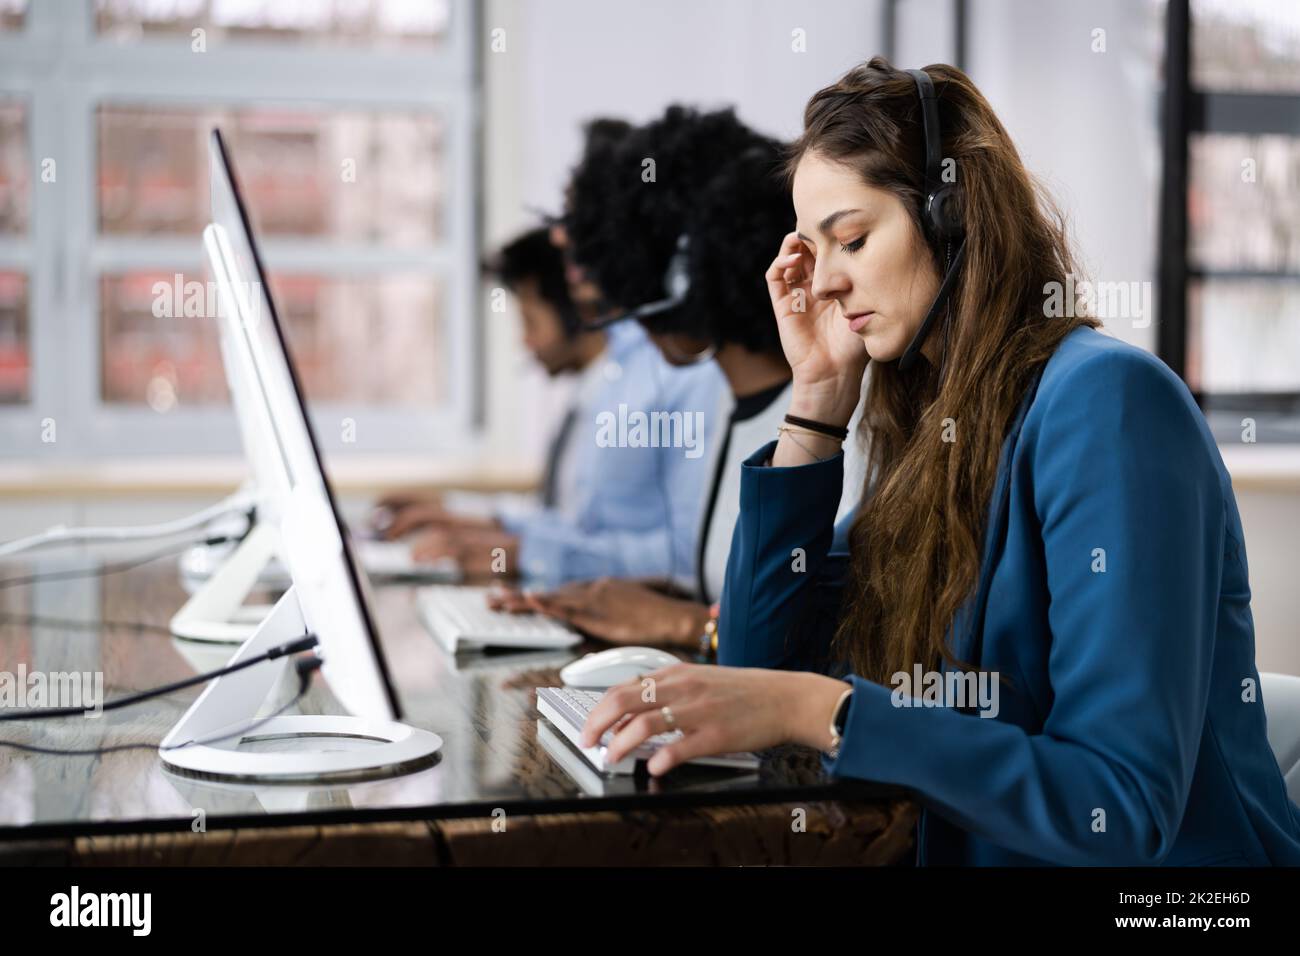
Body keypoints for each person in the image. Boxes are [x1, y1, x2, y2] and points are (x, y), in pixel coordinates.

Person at [578, 58, 1300, 866]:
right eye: (813, 253)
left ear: (952, 216)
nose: (829, 283)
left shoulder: (1110, 406)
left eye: (851, 238)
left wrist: (831, 710)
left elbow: (1119, 808)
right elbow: (762, 667)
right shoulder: (934, 429)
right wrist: (815, 405)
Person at [492, 106, 865, 647]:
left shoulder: (838, 407)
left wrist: (692, 627)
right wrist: (600, 596)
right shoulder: (724, 396)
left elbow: (826, 637)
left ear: (685, 275)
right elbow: (720, 581)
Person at [377, 220, 723, 584]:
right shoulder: (601, 388)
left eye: (529, 320)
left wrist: (523, 553)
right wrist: (460, 515)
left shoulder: (669, 378)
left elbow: (686, 553)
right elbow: (570, 523)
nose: (525, 343)